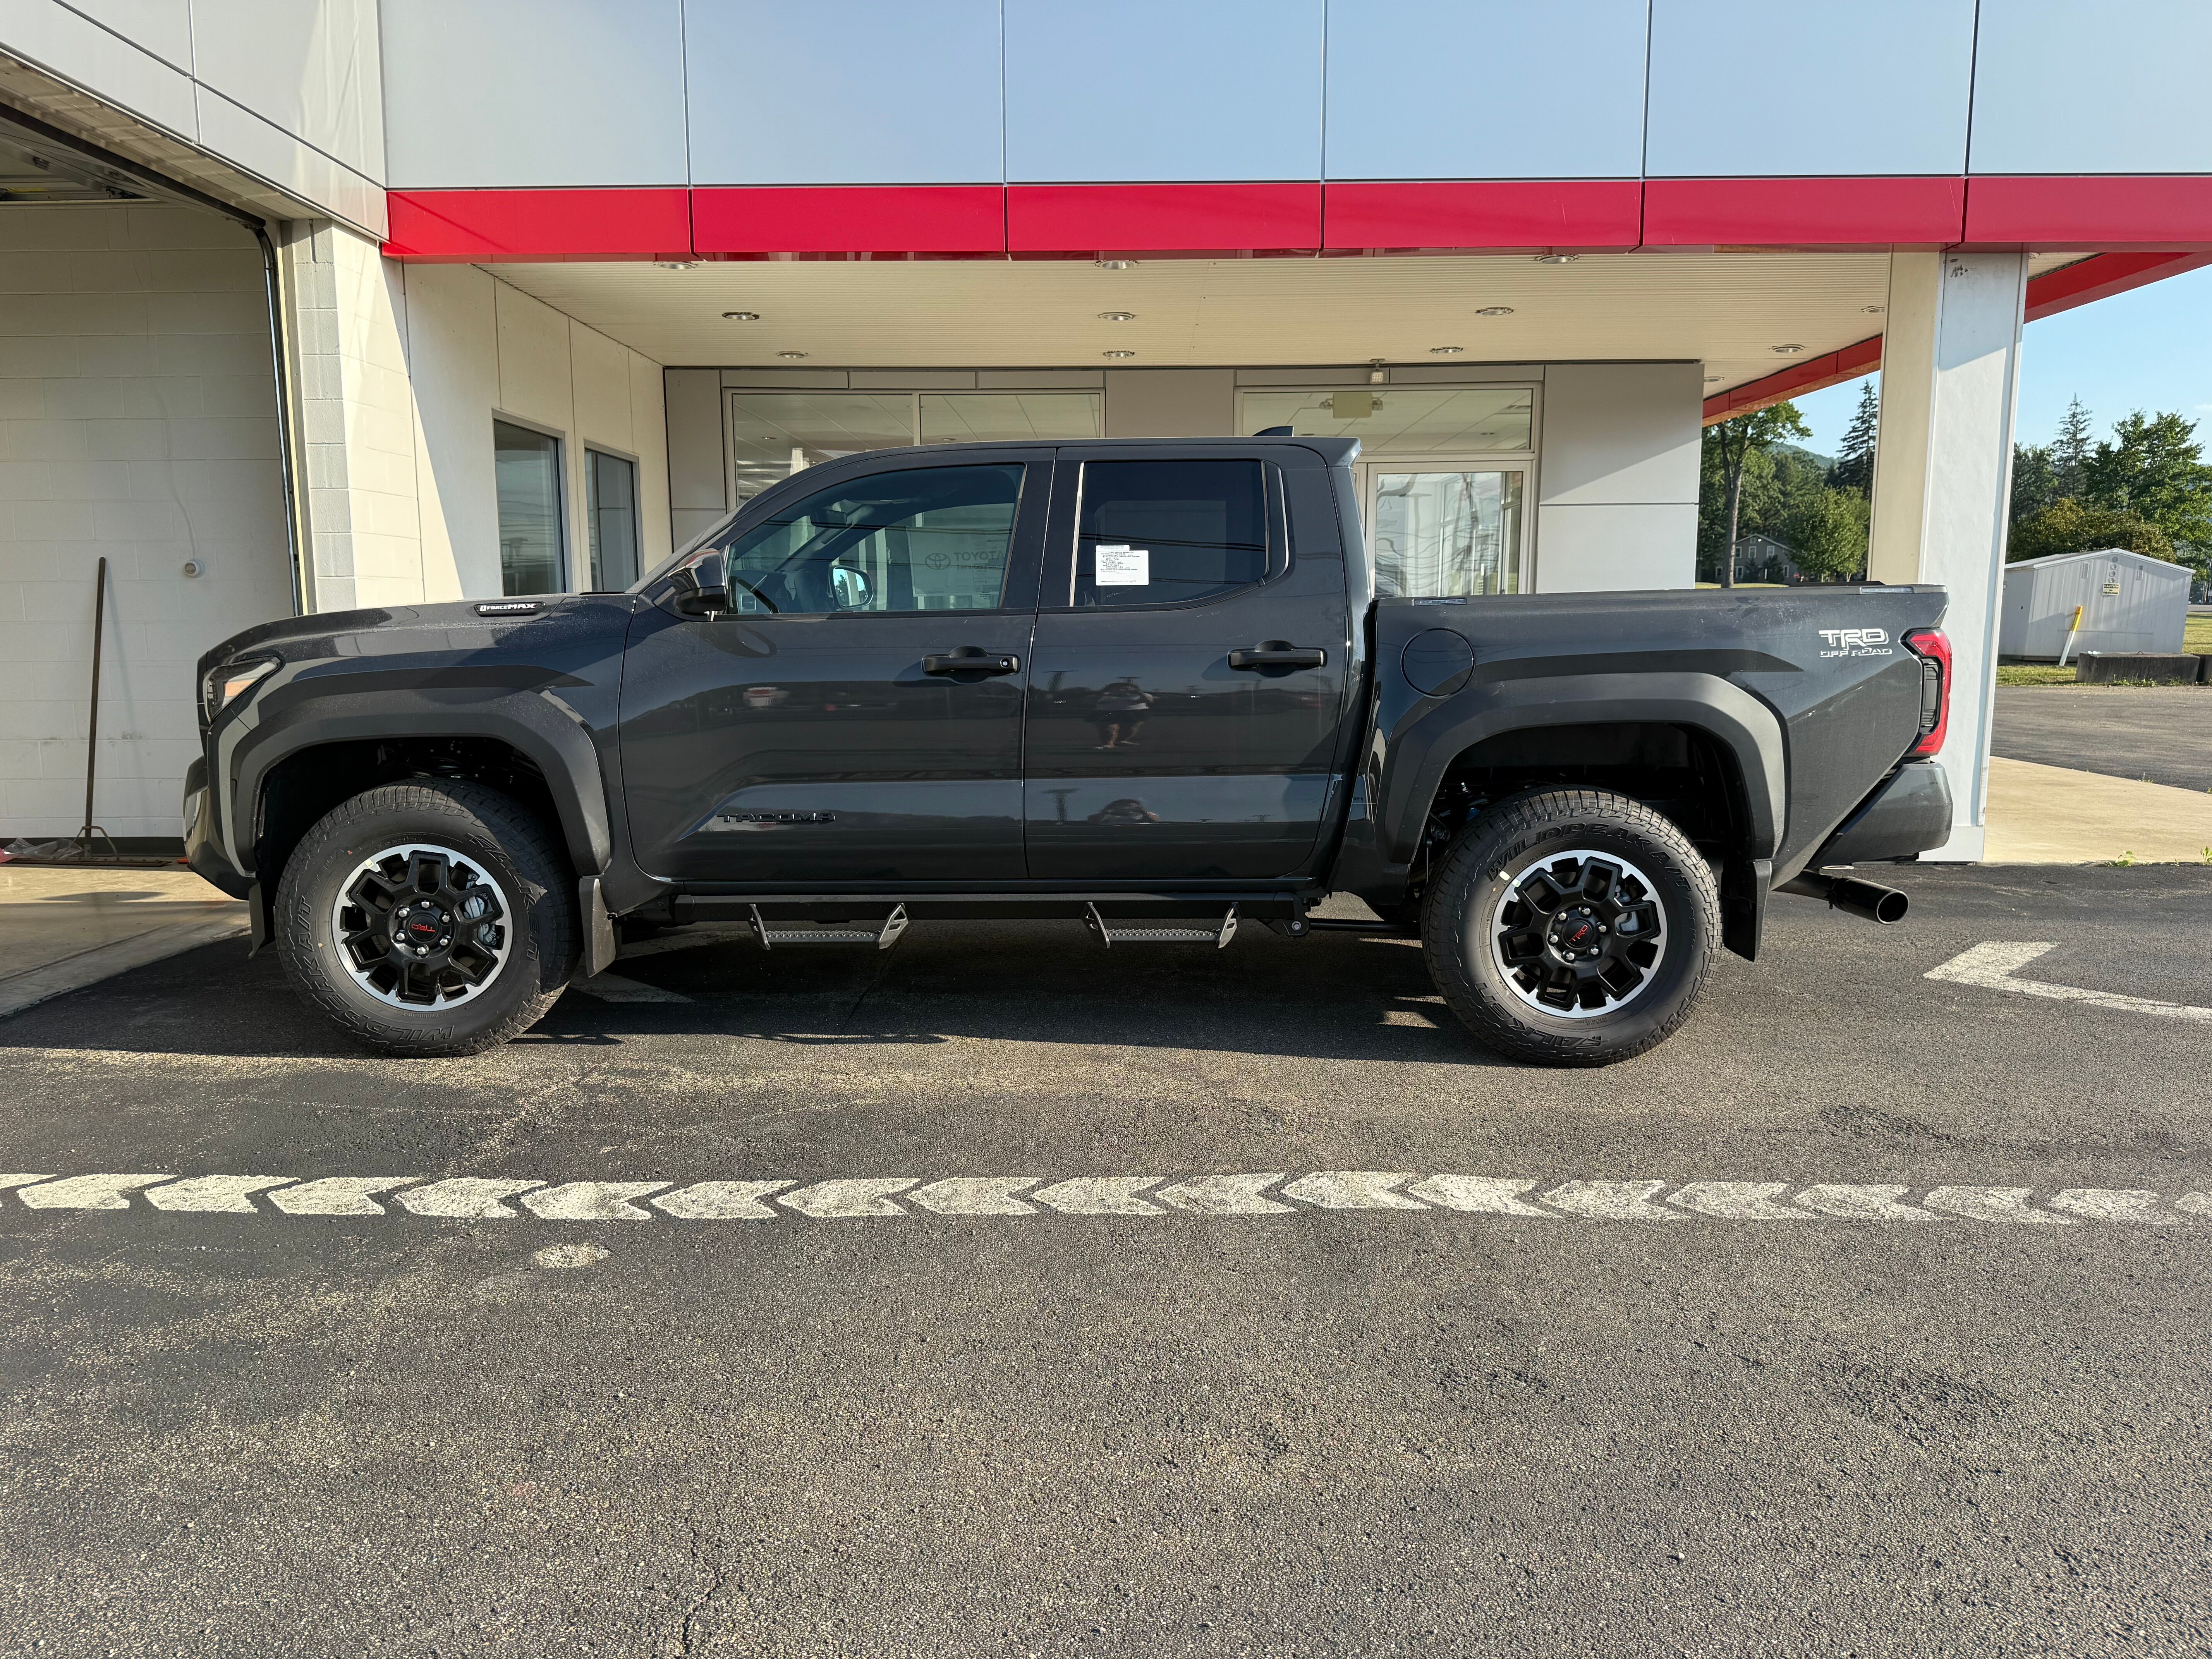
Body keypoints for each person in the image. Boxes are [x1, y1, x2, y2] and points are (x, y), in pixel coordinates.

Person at [1092, 677, 1152, 749]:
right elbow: (1095, 699)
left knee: (1130, 729)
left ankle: (1119, 741)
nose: (1123, 690)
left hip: (1134, 711)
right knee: (1110, 729)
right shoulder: (1107, 692)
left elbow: (1150, 700)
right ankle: (1109, 744)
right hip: (1108, 711)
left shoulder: (1138, 692)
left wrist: (1140, 694)